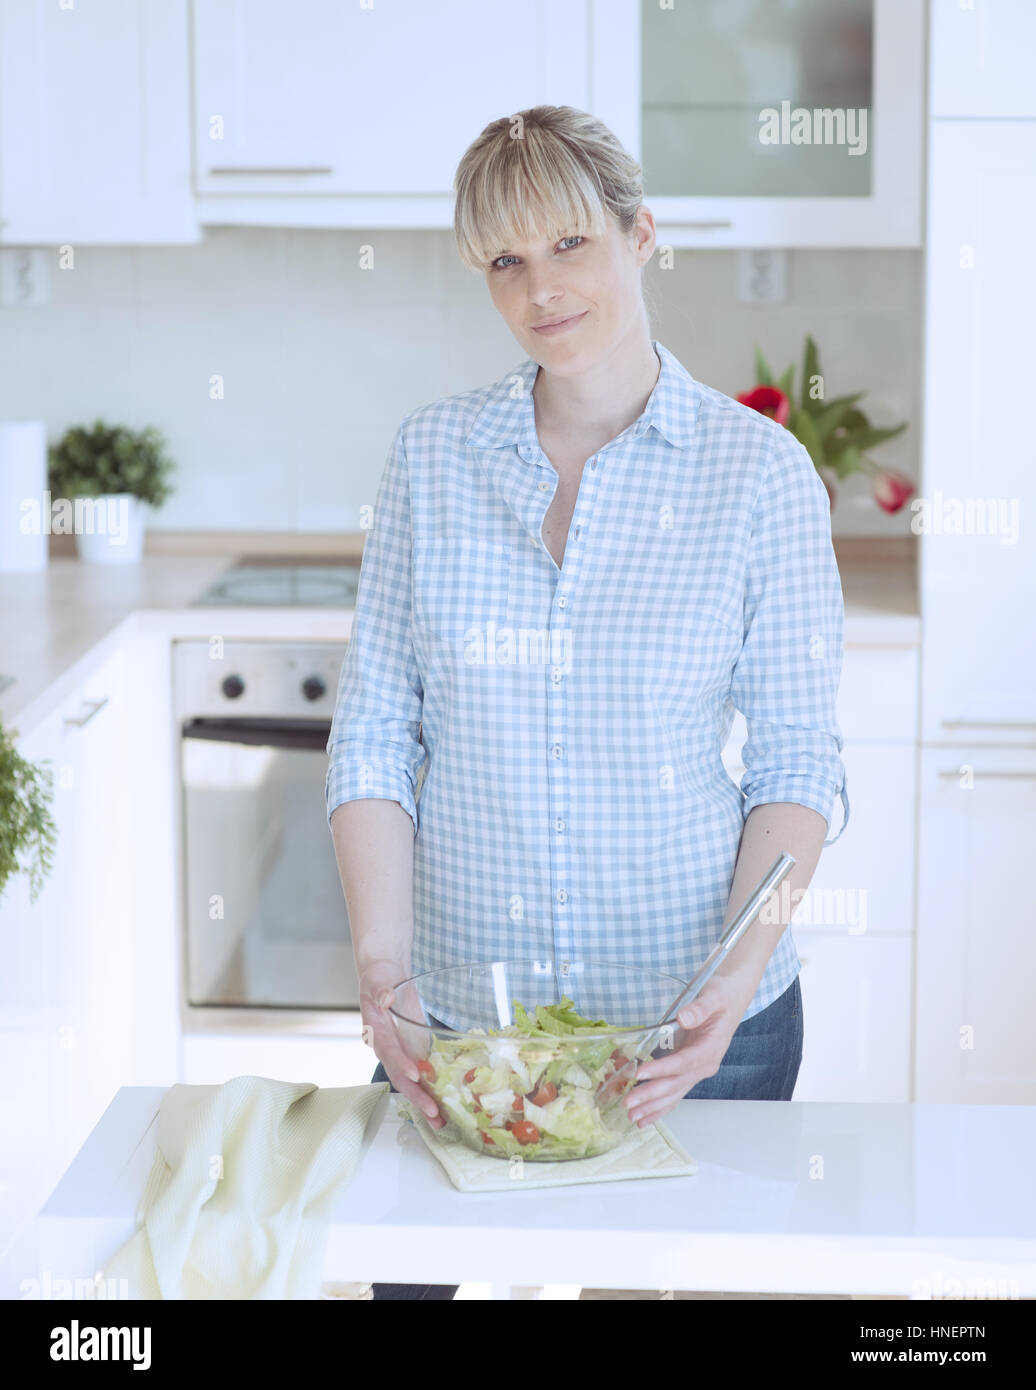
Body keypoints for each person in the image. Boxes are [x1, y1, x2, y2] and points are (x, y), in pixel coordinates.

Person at [326, 105, 849, 1300]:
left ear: (640, 233)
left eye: (568, 244)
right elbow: (373, 733)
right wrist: (381, 968)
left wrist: (730, 977)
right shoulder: (431, 458)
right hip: (461, 1022)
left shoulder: (757, 475)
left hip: (690, 1029)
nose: (539, 289)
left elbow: (795, 764)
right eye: (505, 260)